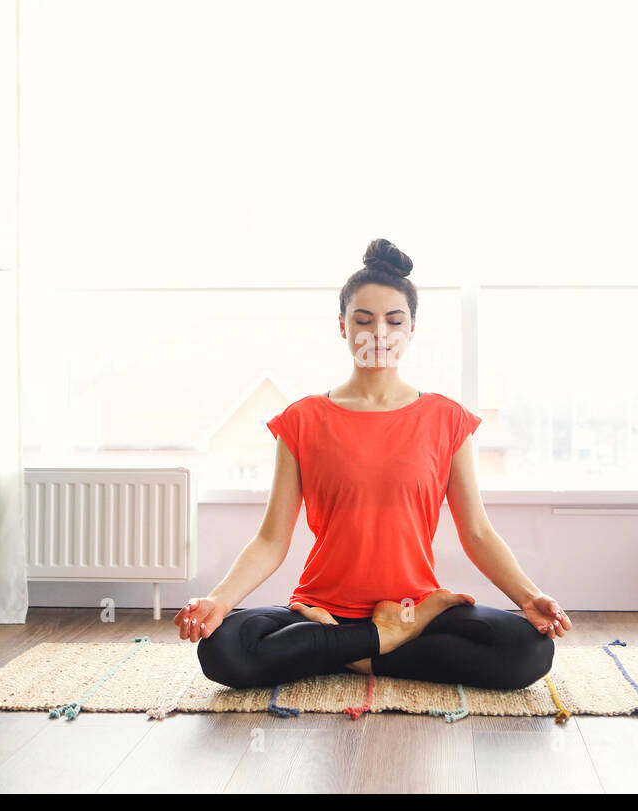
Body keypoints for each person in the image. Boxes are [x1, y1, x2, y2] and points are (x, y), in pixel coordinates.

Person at [174, 238, 572, 690]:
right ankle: (382, 640)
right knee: (222, 649)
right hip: (320, 608)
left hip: (414, 608)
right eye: (363, 321)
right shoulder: (302, 420)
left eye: (393, 321)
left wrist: (529, 596)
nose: (379, 333)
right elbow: (271, 539)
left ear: (411, 329)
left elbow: (477, 532)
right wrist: (218, 601)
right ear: (343, 327)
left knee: (529, 650)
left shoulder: (446, 419)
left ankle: (345, 650)